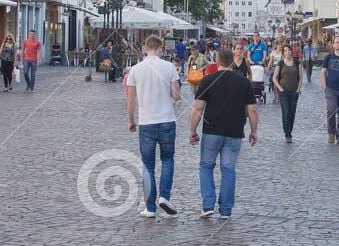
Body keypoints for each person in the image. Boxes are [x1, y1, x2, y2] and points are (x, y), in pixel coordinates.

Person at [189, 47, 258, 219]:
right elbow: (252, 110)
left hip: (212, 130)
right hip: (234, 132)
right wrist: (253, 131)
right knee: (228, 169)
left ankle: (208, 205)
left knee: (206, 166)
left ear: (217, 62)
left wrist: (192, 130)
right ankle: (226, 209)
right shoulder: (243, 82)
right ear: (232, 62)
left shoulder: (208, 80)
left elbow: (198, 108)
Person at [124, 35, 183, 218]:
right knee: (168, 159)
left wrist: (131, 121)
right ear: (161, 48)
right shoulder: (169, 67)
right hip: (166, 120)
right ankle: (164, 196)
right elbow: (176, 95)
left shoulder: (135, 69)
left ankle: (150, 207)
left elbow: (131, 99)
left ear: (145, 48)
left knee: (148, 164)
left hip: (146, 122)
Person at [272, 45, 302, 142]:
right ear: (283, 53)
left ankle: (290, 131)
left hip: (294, 91)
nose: (288, 52)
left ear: (291, 51)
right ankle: (287, 134)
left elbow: (300, 78)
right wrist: (280, 89)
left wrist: (298, 90)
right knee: (286, 112)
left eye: (289, 50)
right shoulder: (280, 63)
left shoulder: (297, 63)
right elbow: (274, 77)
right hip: (283, 92)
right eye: (285, 50)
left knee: (292, 113)